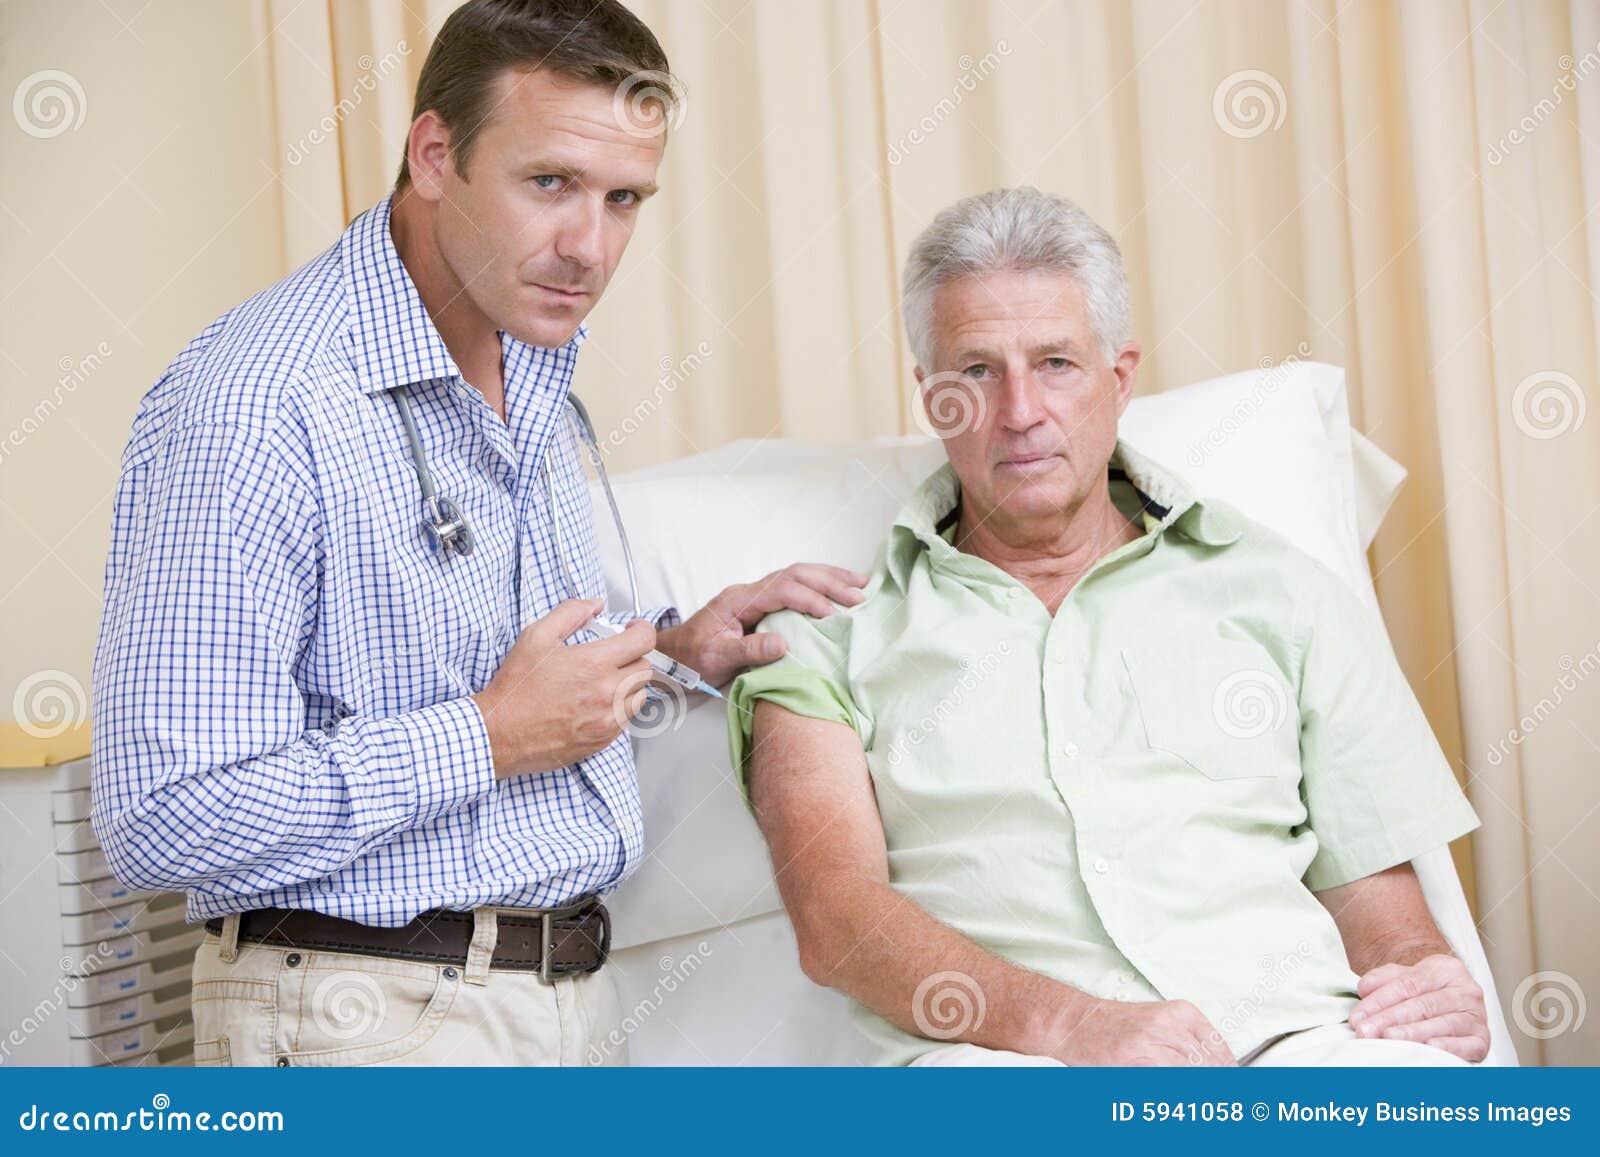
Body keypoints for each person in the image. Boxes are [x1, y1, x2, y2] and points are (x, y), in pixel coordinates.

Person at [91, 0, 866, 1067]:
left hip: (558, 1001)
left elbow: (467, 645)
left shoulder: (529, 352)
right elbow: (163, 816)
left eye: (623, 198)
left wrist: (671, 649)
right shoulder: (253, 404)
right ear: (435, 154)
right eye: (549, 183)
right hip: (358, 1021)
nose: (588, 246)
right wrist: (489, 735)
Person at [727, 186, 1490, 1067]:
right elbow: (837, 921)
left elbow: (1383, 915)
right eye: (976, 371)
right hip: (1003, 1065)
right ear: (931, 395)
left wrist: (1422, 975)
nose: (1019, 412)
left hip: (1298, 1049)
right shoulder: (822, 638)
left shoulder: (1287, 594)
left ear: (1118, 377)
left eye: (1055, 363)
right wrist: (1071, 1025)